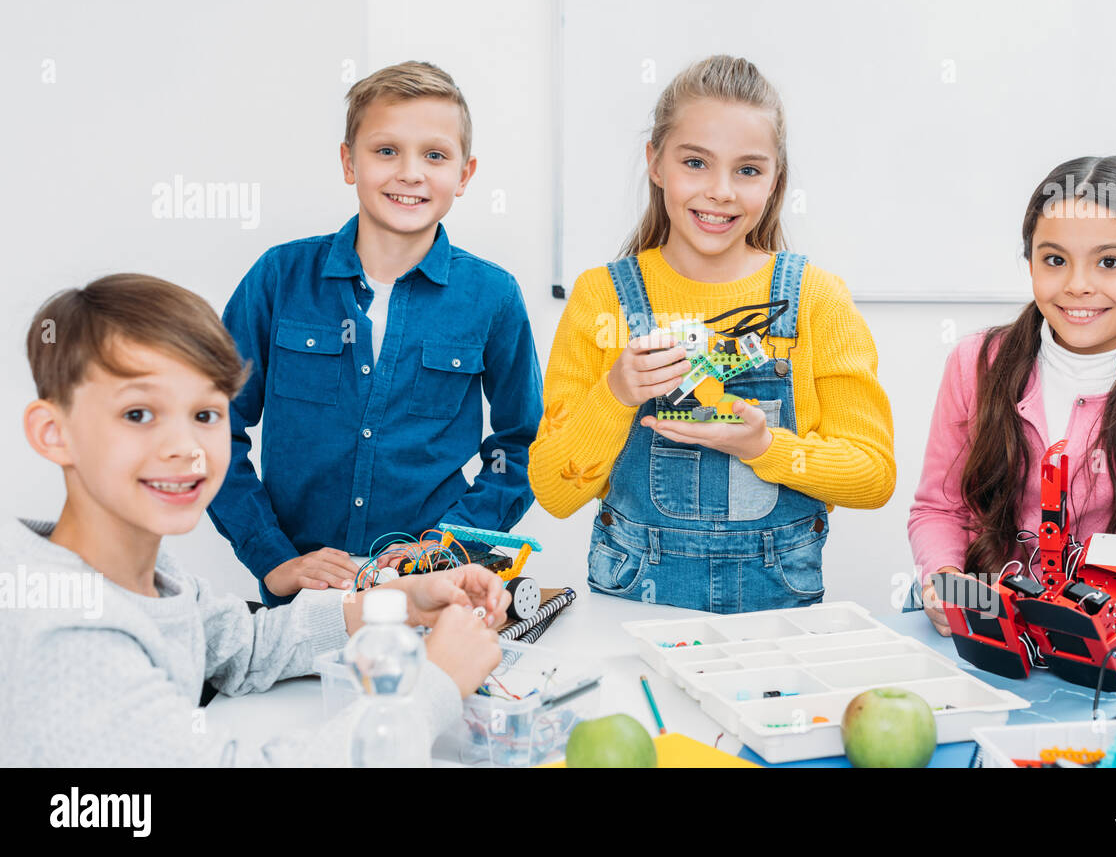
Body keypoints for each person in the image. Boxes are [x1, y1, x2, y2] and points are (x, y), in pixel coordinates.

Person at [0, 274, 507, 765]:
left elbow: (243, 647)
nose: (185, 449)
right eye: (138, 414)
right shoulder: (67, 636)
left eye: (205, 415)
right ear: (53, 432)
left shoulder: (146, 573)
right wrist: (432, 687)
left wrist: (397, 603)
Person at [529, 55, 896, 613]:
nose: (721, 191)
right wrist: (617, 393)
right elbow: (555, 493)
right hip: (632, 615)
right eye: (695, 162)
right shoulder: (601, 297)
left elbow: (873, 478)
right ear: (655, 163)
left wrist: (764, 447)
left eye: (748, 170)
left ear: (775, 181)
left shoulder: (817, 300)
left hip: (775, 625)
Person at [208, 61, 543, 604]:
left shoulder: (493, 295)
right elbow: (212, 427)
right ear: (348, 161)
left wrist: (448, 548)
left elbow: (524, 442)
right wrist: (272, 558)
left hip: (429, 592)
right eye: (386, 151)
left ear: (464, 174)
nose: (410, 173)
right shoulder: (278, 277)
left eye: (434, 155)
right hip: (301, 599)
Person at [908, 156, 1116, 635]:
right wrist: (944, 579)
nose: (1077, 285)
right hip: (986, 632)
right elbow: (941, 508)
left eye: (1109, 262)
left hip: (1111, 644)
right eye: (1054, 260)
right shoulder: (975, 361)